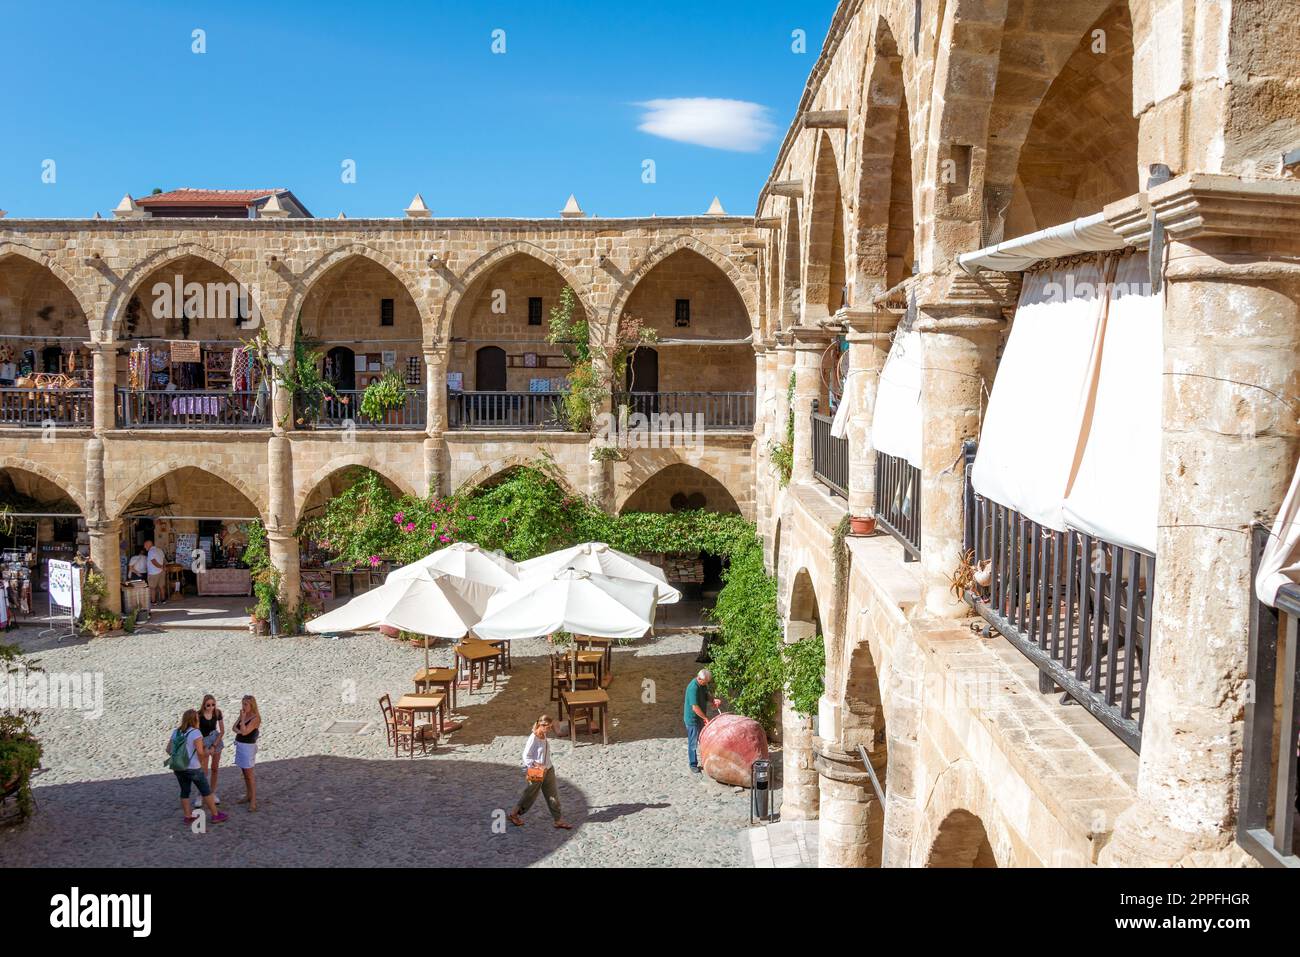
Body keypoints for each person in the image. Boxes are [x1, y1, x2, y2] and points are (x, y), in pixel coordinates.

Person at [507, 715, 572, 830]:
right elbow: (526, 756)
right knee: (529, 795)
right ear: (541, 726)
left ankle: (558, 820)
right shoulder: (533, 738)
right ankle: (514, 814)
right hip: (537, 772)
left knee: (553, 795)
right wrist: (538, 765)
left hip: (549, 769)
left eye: (550, 727)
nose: (550, 730)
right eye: (548, 727)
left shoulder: (544, 733)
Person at [166, 709, 228, 825]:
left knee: (184, 791)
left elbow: (168, 750)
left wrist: (180, 756)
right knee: (206, 791)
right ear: (195, 720)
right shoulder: (195, 733)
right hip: (193, 768)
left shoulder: (176, 732)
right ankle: (215, 815)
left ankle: (188, 816)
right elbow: (200, 753)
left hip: (179, 767)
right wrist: (208, 752)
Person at [683, 669, 721, 774]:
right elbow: (695, 707)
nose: (706, 684)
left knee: (703, 739)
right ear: (699, 679)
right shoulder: (692, 688)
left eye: (707, 682)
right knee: (693, 742)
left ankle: (706, 760)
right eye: (705, 682)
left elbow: (706, 695)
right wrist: (705, 718)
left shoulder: (702, 684)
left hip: (699, 717)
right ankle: (693, 764)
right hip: (692, 719)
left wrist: (713, 700)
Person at [231, 695, 261, 812]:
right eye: (242, 704)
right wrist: (241, 722)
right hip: (240, 745)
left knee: (249, 774)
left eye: (245, 704)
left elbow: (244, 732)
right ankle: (248, 795)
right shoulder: (243, 714)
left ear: (251, 705)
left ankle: (253, 800)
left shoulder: (255, 718)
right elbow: (234, 727)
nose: (243, 707)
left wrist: (243, 720)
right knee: (244, 773)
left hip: (248, 747)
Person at [198, 694, 225, 804]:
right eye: (208, 705)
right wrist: (204, 747)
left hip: (215, 739)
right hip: (203, 741)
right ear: (204, 705)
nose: (211, 707)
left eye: (213, 704)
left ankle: (212, 792)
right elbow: (197, 732)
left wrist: (214, 745)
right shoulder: (198, 715)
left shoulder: (217, 713)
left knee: (214, 768)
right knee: (203, 771)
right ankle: (201, 794)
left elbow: (222, 731)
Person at [144, 539, 168, 605]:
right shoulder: (159, 550)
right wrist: (163, 567)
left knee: (152, 588)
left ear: (149, 545)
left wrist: (161, 566)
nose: (144, 547)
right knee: (162, 586)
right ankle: (163, 600)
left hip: (153, 573)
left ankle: (153, 601)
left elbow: (153, 561)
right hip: (161, 572)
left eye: (145, 545)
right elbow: (164, 560)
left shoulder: (151, 551)